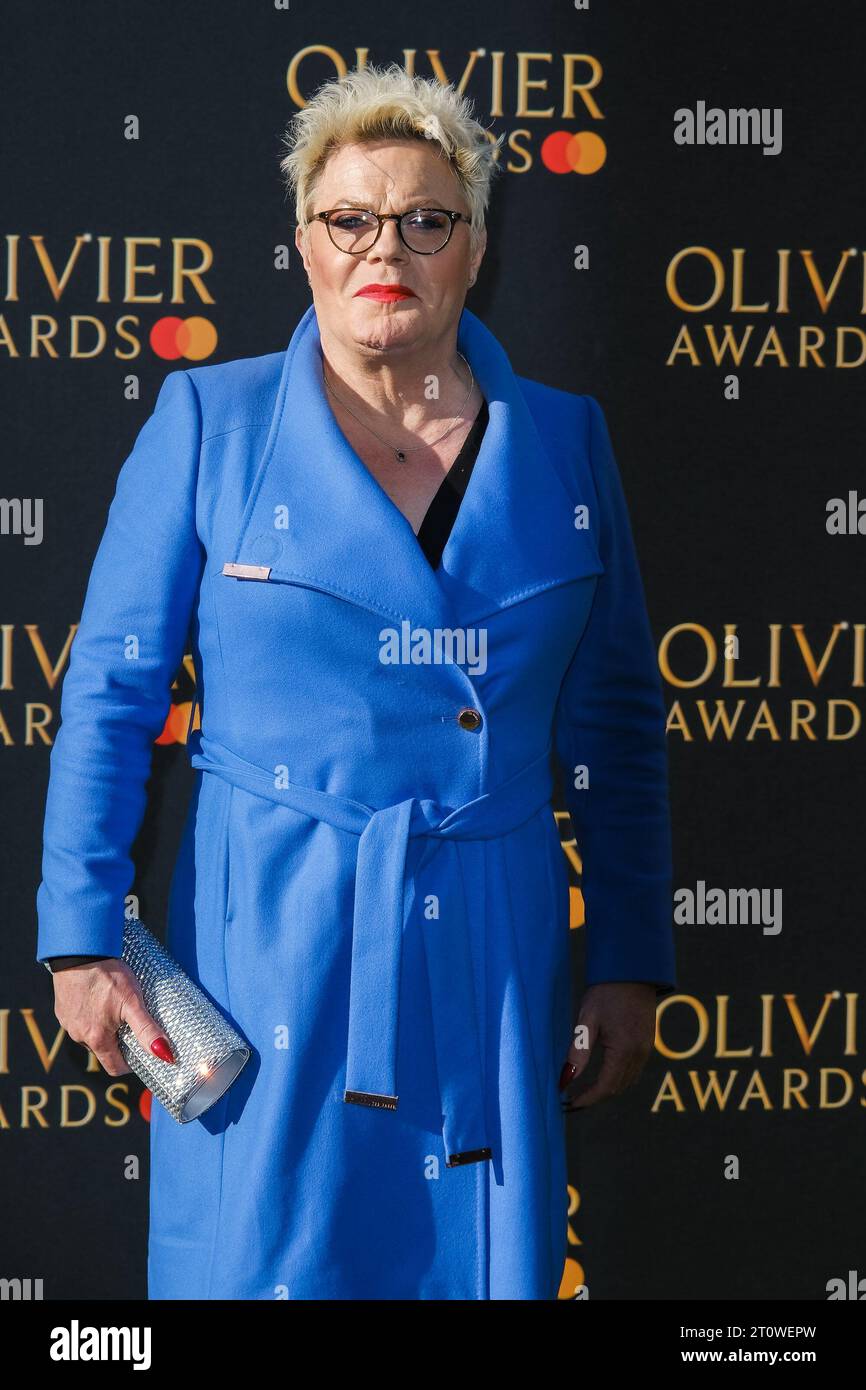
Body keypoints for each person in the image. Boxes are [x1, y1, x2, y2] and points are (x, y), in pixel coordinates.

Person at [36, 62, 676, 1300]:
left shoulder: (565, 441)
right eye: (352, 219)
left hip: (489, 945)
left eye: (427, 219)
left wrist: (629, 958)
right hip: (265, 938)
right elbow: (111, 695)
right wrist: (82, 940)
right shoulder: (207, 425)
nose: (388, 246)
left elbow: (612, 723)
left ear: (476, 246)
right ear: (305, 243)